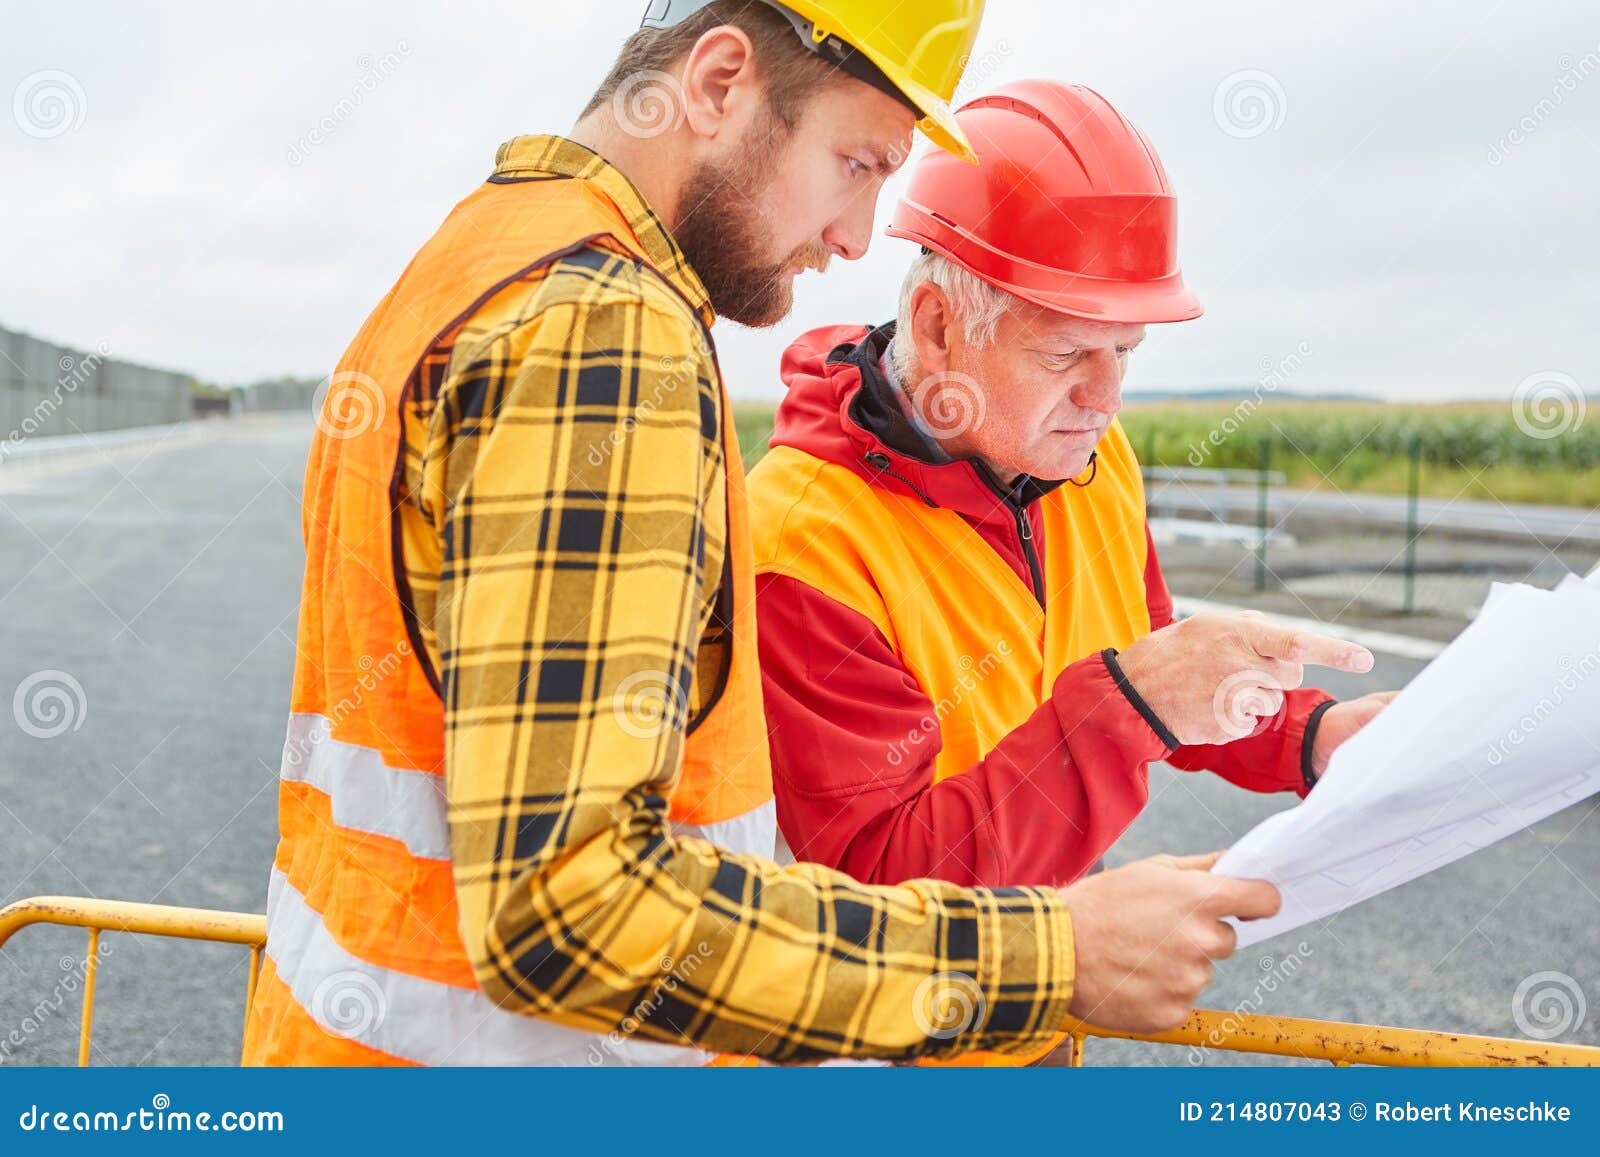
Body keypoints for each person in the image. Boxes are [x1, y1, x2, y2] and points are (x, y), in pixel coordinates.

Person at [245, 5, 1279, 1068]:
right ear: (719, 80)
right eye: (854, 163)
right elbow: (568, 908)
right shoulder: (601, 333)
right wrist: (1045, 960)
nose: (856, 237)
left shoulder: (481, 253)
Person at [747, 81, 1394, 1063]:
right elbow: (878, 888)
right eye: (1068, 351)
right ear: (935, 326)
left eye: (1126, 350)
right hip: (881, 1056)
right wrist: (1122, 704)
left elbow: (1160, 668)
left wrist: (1310, 738)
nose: (1104, 395)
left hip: (1040, 1016)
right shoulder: (803, 540)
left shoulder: (1088, 459)